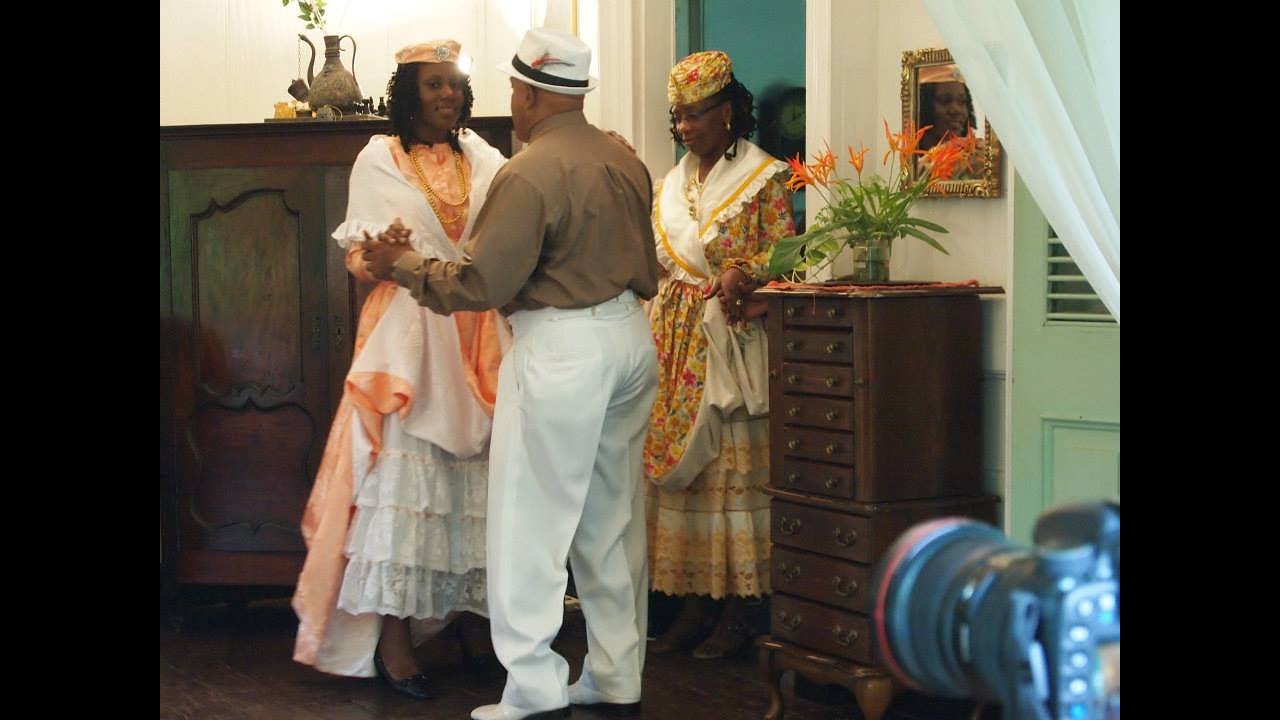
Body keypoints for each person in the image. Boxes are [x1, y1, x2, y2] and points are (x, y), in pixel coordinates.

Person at [361, 27, 660, 720]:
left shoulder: (528, 172)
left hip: (563, 349)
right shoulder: (623, 158)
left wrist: (398, 264)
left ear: (528, 94)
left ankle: (532, 690)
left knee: (531, 527)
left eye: (513, 90)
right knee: (610, 524)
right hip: (629, 340)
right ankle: (617, 676)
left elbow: (480, 283)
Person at [290, 39, 510, 700]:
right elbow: (359, 260)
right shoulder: (375, 159)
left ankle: (474, 623)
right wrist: (377, 254)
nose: (447, 95)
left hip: (478, 333)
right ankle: (395, 639)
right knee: (404, 489)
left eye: (454, 84)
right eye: (433, 84)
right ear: (409, 91)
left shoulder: (490, 160)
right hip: (411, 339)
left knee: (477, 488)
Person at [644, 50, 795, 660]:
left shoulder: (765, 176)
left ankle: (740, 612)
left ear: (729, 111)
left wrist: (743, 271)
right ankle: (692, 604)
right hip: (674, 337)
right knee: (688, 477)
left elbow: (788, 256)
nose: (685, 127)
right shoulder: (671, 181)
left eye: (696, 115)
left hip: (731, 339)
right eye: (678, 117)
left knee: (732, 470)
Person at [916, 64, 985, 179]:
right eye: (945, 101)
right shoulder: (912, 168)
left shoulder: (976, 158)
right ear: (924, 107)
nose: (956, 110)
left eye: (962, 102)